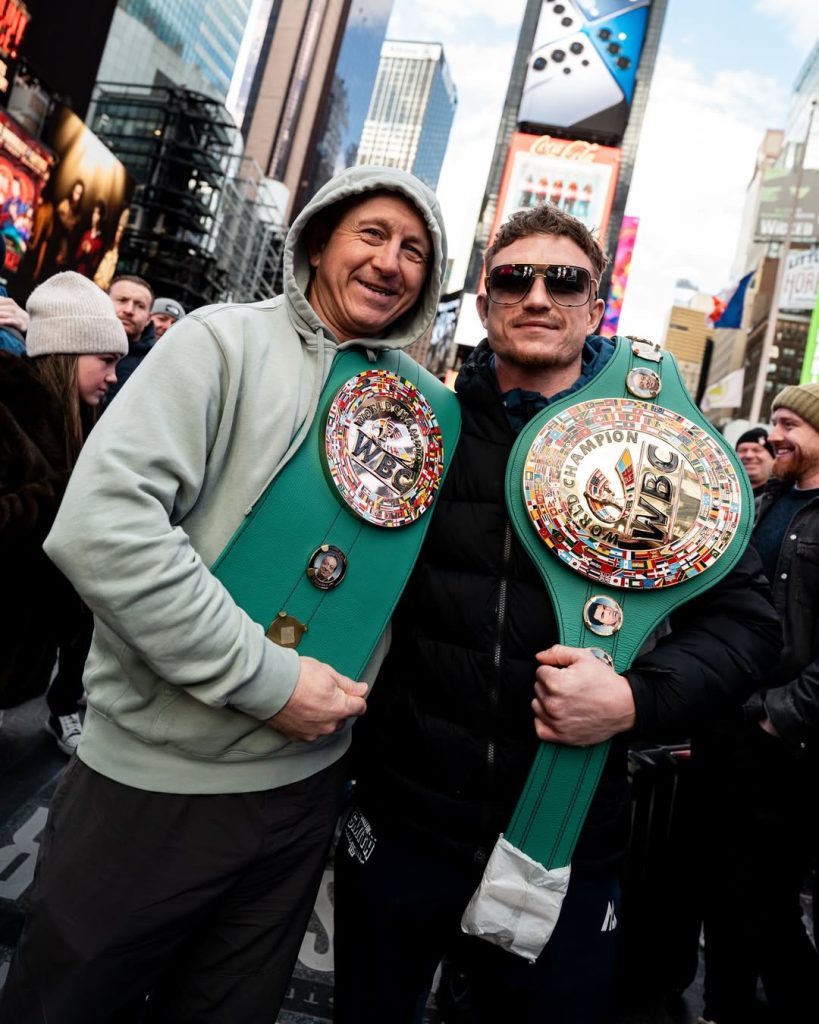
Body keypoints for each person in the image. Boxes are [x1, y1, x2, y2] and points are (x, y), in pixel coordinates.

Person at [0, 165, 448, 1024]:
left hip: (304, 794)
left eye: (415, 249)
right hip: (151, 786)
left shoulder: (420, 411)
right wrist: (271, 682)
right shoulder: (219, 341)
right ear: (317, 239)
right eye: (372, 234)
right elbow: (101, 530)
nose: (391, 261)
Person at [332, 203, 781, 1024]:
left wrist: (634, 701)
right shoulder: (421, 428)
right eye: (513, 278)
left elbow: (749, 624)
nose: (537, 295)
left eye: (563, 280)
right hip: (404, 820)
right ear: (482, 304)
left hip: (566, 832)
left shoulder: (663, 450)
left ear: (595, 305)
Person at [695, 382, 819, 1024]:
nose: (776, 436)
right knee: (722, 887)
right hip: (730, 724)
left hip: (785, 743)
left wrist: (784, 714)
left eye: (791, 423)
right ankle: (724, 1007)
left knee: (764, 898)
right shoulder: (765, 501)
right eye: (774, 421)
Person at [0, 272, 127, 749]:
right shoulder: (8, 407)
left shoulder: (84, 418)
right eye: (106, 361)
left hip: (25, 636)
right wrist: (66, 491)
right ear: (69, 353)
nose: (114, 376)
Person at [105, 273, 156, 400]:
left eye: (140, 305)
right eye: (122, 300)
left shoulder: (155, 365)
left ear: (149, 318)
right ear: (103, 301)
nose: (129, 310)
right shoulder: (75, 348)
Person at [735, 425, 775, 496]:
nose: (748, 455)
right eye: (742, 450)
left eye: (757, 450)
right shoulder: (725, 494)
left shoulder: (781, 497)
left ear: (773, 457)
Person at [73, 199, 107, 279]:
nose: (94, 216)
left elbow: (95, 266)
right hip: (77, 274)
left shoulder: (100, 242)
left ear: (101, 217)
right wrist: (82, 249)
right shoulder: (86, 234)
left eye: (97, 214)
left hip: (87, 279)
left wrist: (89, 252)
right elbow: (76, 256)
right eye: (94, 213)